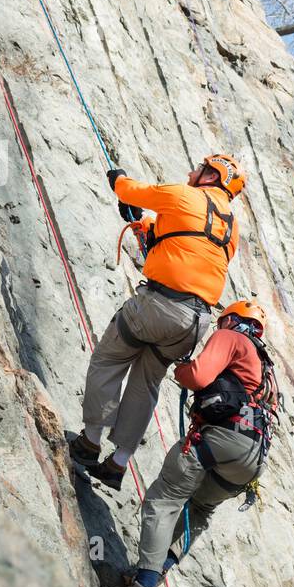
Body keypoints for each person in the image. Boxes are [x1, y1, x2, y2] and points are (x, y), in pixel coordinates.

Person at [69, 154, 246, 491]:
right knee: (146, 382)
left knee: (110, 358)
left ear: (211, 177)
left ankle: (89, 443)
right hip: (195, 322)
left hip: (160, 304)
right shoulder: (231, 227)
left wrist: (118, 179)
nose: (191, 171)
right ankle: (117, 464)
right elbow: (193, 245)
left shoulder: (185, 194)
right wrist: (146, 226)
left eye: (199, 169)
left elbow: (134, 191)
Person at [99, 300, 279, 587]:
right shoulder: (265, 368)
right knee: (200, 508)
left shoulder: (231, 337)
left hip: (220, 440)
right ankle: (158, 570)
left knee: (164, 499)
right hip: (252, 459)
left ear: (231, 319)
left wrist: (181, 369)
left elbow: (198, 375)